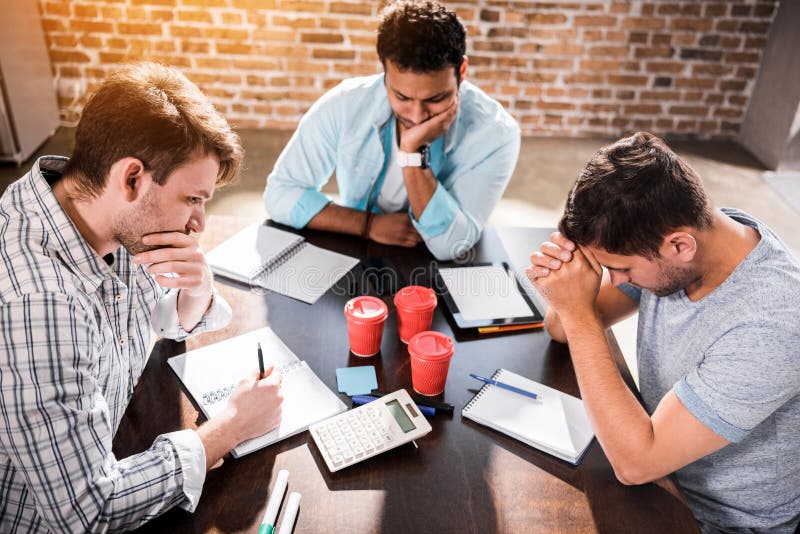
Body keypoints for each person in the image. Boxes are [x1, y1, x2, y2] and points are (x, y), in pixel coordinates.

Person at [0, 63, 283, 532]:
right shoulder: (40, 304)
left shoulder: (93, 213)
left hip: (116, 436)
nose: (199, 224)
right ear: (131, 177)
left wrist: (197, 291)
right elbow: (89, 511)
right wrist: (230, 425)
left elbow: (147, 318)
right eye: (193, 199)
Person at [527, 132, 800, 532]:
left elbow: (636, 463)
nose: (616, 281)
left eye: (622, 269)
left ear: (680, 245)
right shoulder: (686, 239)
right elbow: (562, 327)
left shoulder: (773, 323)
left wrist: (576, 309)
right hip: (661, 478)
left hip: (721, 522)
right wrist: (570, 281)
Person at [264, 0, 521, 261]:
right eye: (402, 97)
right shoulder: (346, 104)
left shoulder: (497, 134)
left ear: (462, 71)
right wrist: (368, 224)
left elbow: (451, 245)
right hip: (357, 255)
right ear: (384, 72)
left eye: (435, 99)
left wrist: (412, 152)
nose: (417, 116)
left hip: (437, 271)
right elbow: (280, 194)